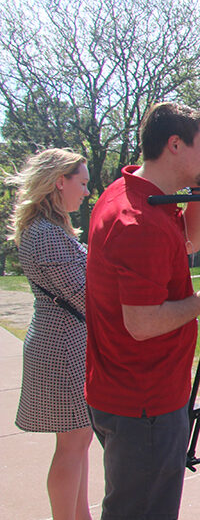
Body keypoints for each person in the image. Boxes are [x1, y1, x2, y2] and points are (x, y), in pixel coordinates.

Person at [86, 101, 200, 519]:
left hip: (130, 393)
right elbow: (142, 322)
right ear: (175, 144)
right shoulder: (139, 222)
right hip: (144, 401)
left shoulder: (139, 196)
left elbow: (188, 243)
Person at [8, 149, 93, 520]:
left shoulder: (50, 230)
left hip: (65, 343)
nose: (87, 192)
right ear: (60, 182)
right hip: (62, 348)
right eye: (83, 183)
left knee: (79, 438)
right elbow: (84, 295)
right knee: (73, 442)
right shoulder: (45, 234)